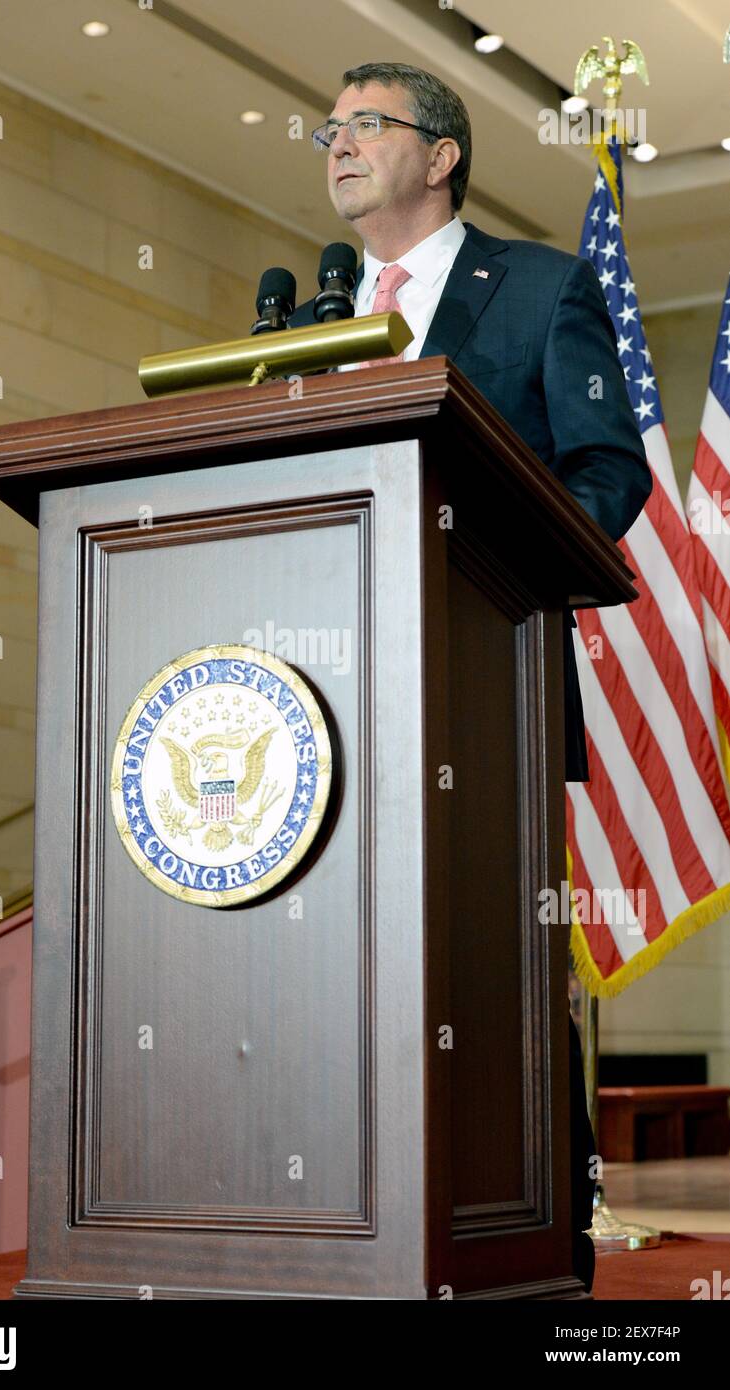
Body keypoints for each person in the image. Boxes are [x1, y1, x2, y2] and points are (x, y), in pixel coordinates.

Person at [289, 61, 654, 1293]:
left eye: (364, 125)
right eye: (327, 129)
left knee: (486, 981)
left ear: (441, 154)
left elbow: (609, 475)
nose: (336, 145)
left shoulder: (541, 288)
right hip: (319, 701)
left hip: (476, 687)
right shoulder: (320, 312)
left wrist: (503, 559)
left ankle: (538, 1251)